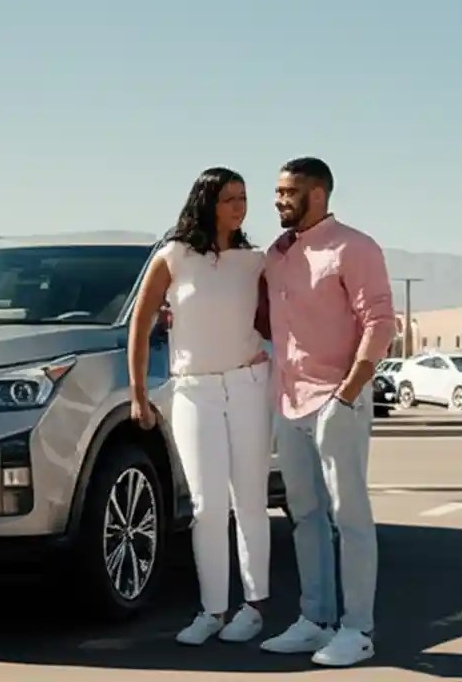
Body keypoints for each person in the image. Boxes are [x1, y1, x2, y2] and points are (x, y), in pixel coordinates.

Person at [256, 157, 396, 667]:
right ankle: (315, 620)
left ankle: (358, 629)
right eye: (276, 191)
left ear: (318, 194)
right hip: (288, 403)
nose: (278, 200)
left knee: (350, 516)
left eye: (288, 192)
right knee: (306, 516)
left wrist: (347, 394)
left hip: (339, 401)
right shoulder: (277, 255)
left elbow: (380, 323)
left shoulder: (353, 247)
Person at [127, 166, 274, 646]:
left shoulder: (256, 260)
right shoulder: (174, 257)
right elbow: (141, 322)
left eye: (244, 197)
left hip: (248, 384)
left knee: (250, 499)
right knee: (208, 506)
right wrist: (138, 394)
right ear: (207, 201)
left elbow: (284, 315)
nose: (240, 206)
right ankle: (212, 609)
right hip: (193, 391)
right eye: (230, 198)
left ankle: (253, 607)